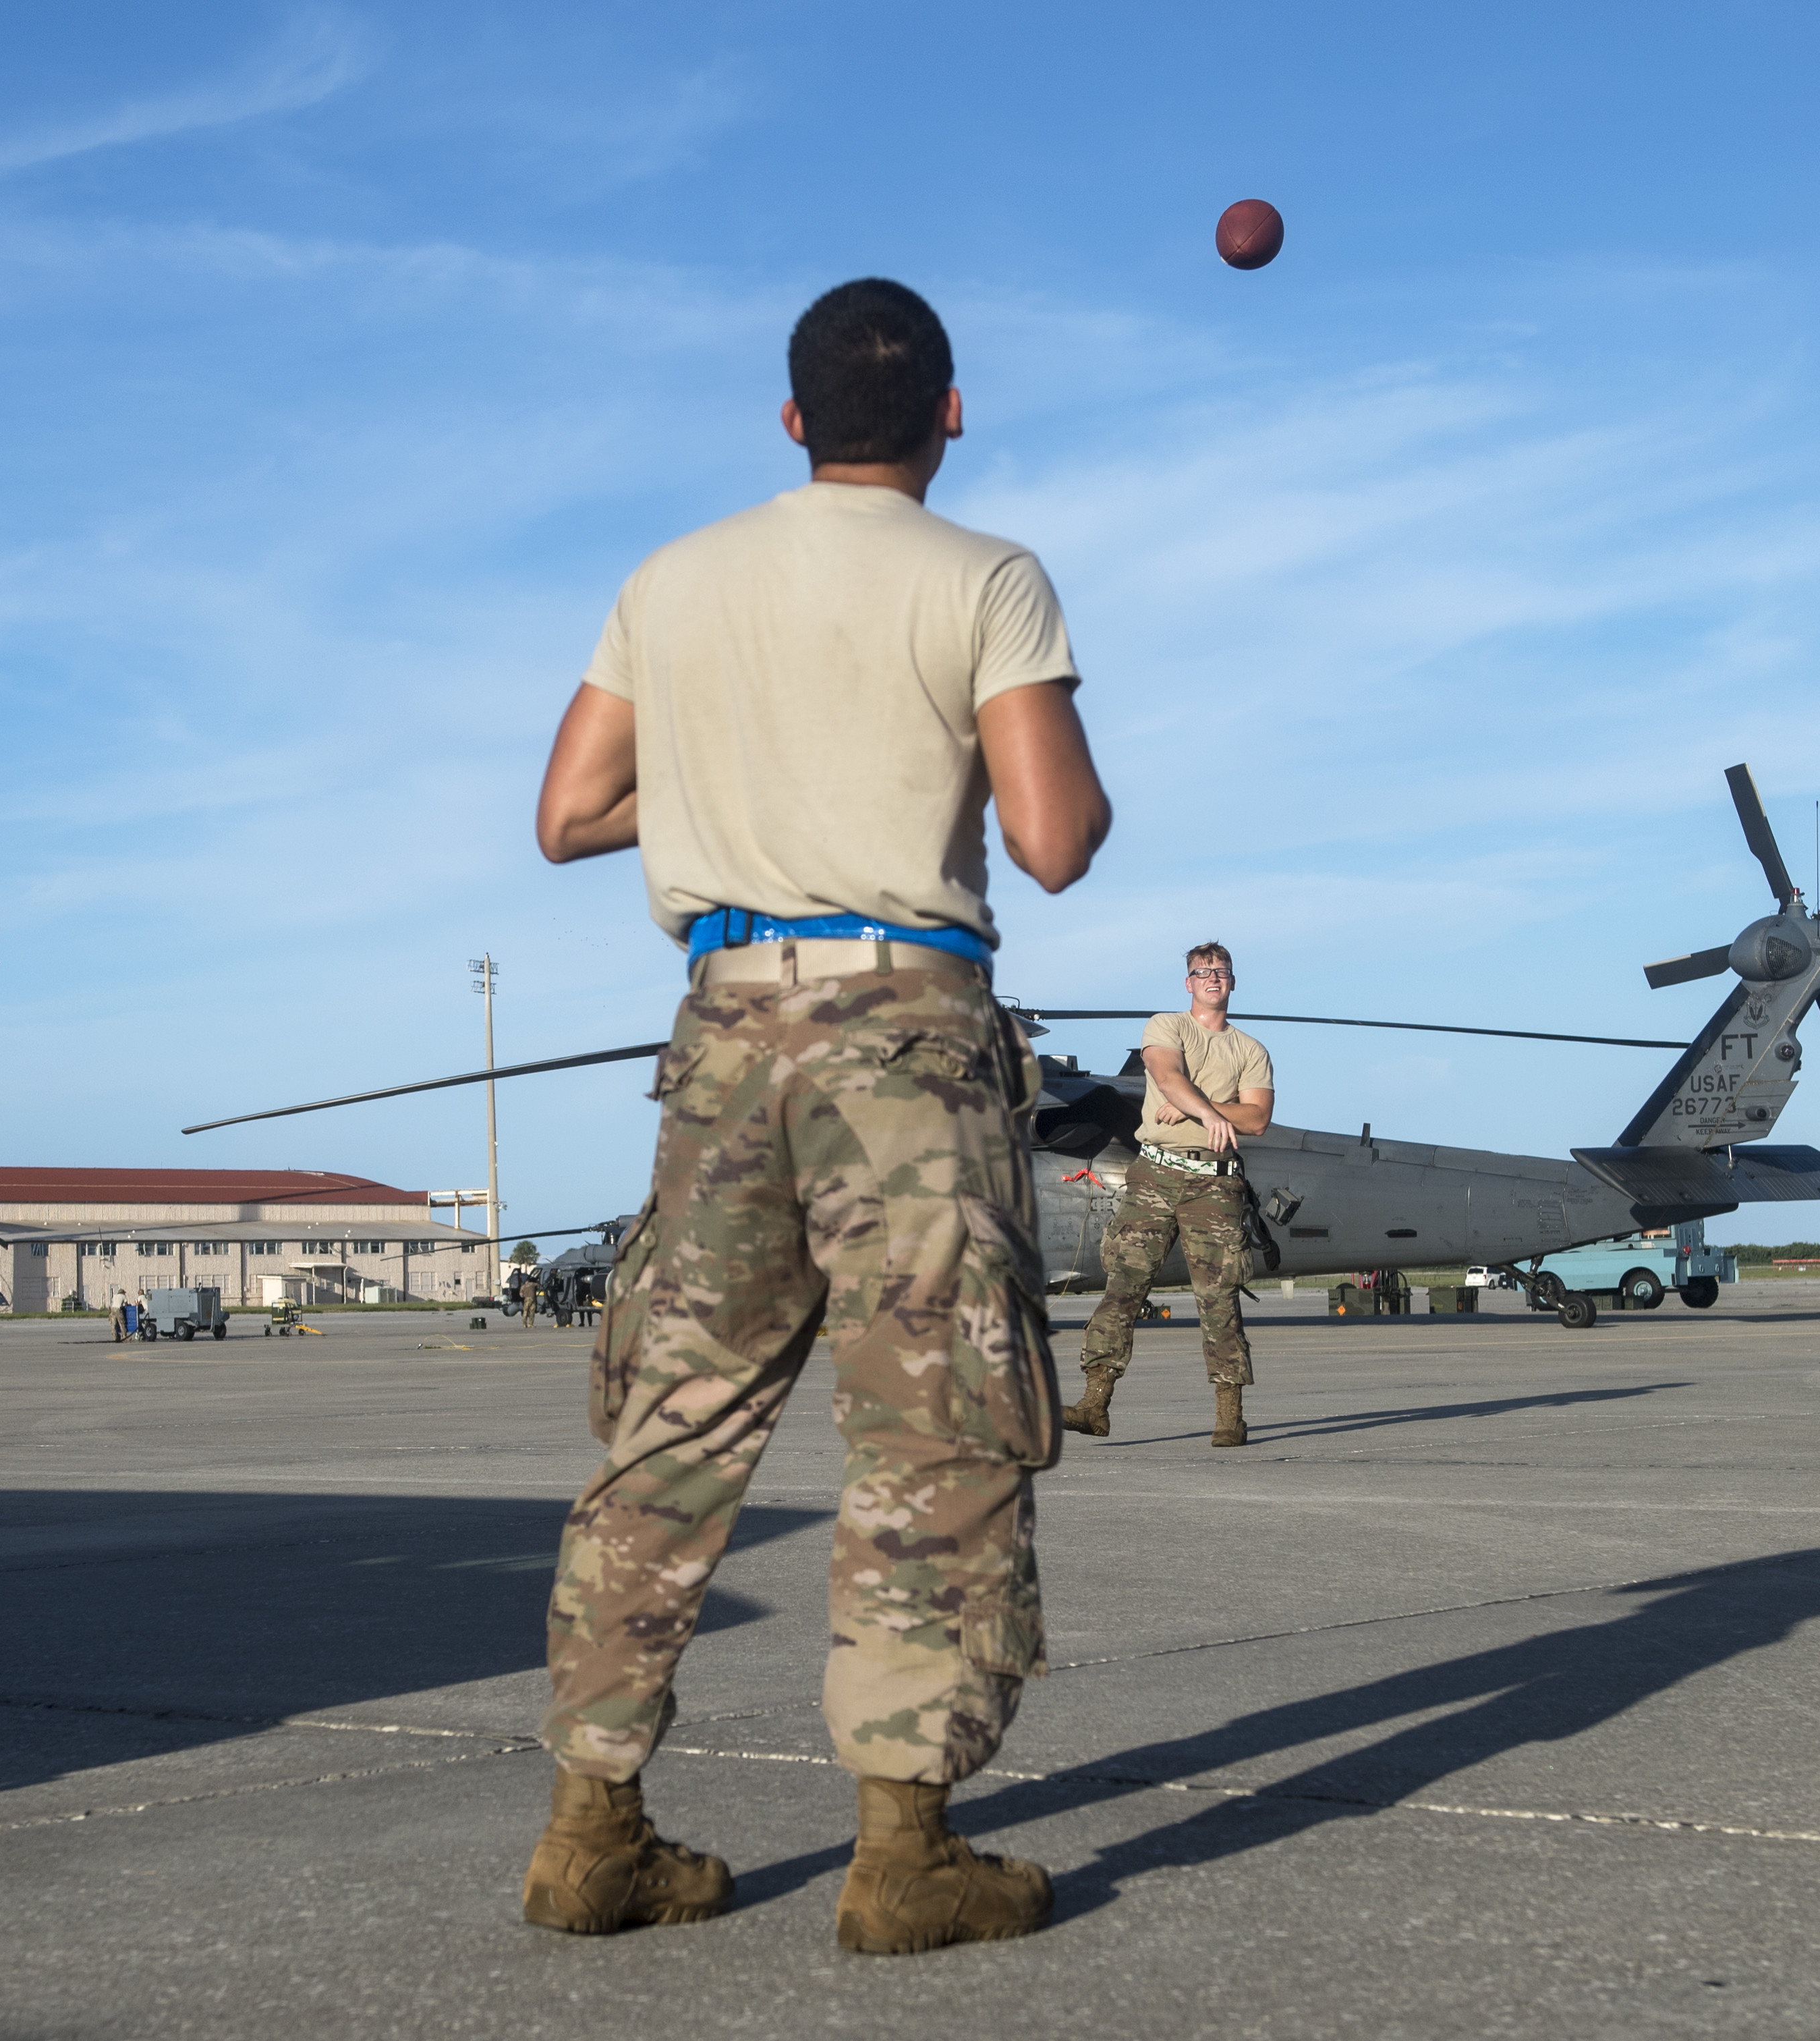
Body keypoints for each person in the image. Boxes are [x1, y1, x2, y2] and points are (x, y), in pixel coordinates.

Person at [520, 279, 1110, 1956]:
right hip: (904, 1045)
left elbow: (567, 813)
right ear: (949, 412)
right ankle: (904, 1854)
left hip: (718, 1037)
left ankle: (590, 1835)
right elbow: (1057, 837)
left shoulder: (671, 580)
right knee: (930, 1437)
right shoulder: (987, 577)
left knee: (673, 1432)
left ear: (790, 420)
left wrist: (717, 783)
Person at [1064, 943, 1275, 1447]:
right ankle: (1094, 1403)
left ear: (1232, 981)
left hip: (1215, 1181)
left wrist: (1195, 1109)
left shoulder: (1250, 1050)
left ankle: (1229, 1414)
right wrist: (1210, 1112)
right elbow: (1165, 1075)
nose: (1212, 978)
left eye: (1220, 971)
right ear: (1188, 983)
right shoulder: (1167, 1025)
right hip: (1155, 1175)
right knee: (1123, 1287)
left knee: (1218, 1297)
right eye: (1202, 972)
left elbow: (1257, 1119)